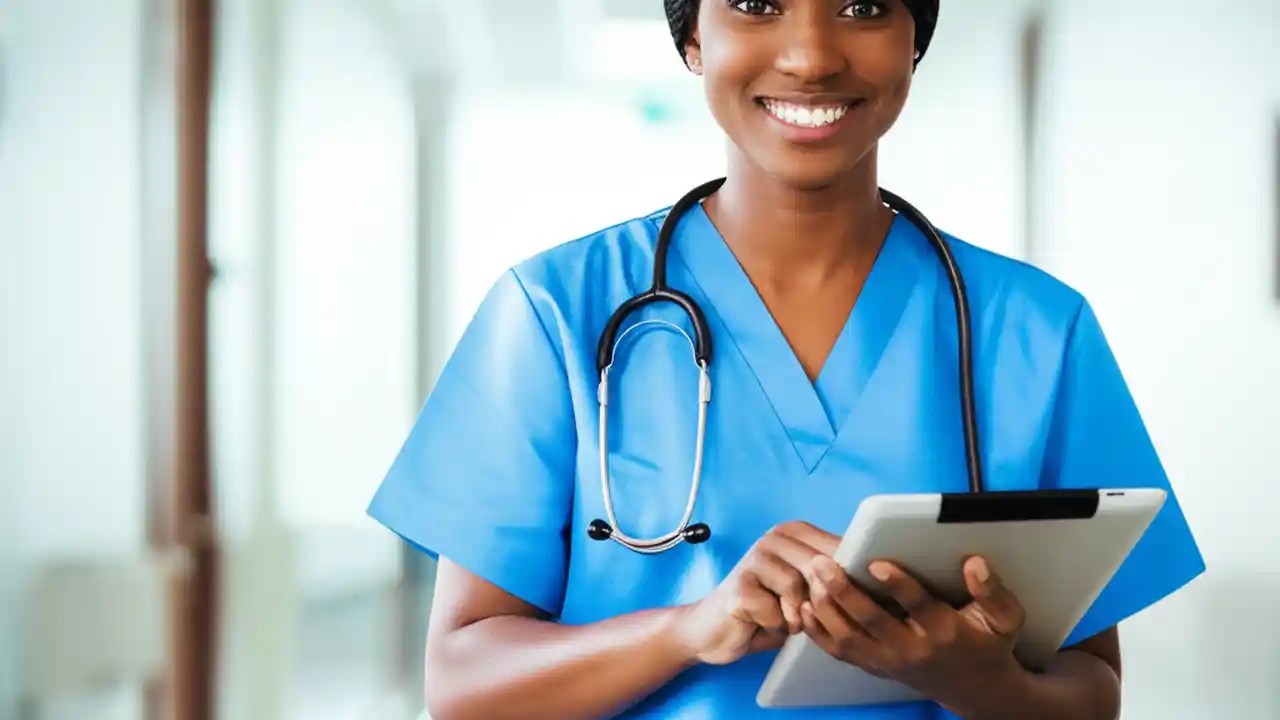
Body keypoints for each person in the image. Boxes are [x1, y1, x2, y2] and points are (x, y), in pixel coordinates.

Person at [367, 1, 1205, 717]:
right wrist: (688, 630)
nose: (811, 55)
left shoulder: (1036, 330)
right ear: (692, 37)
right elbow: (463, 686)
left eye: (864, 7)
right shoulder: (556, 311)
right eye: (757, 3)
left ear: (915, 38)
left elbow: (1093, 691)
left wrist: (980, 680)